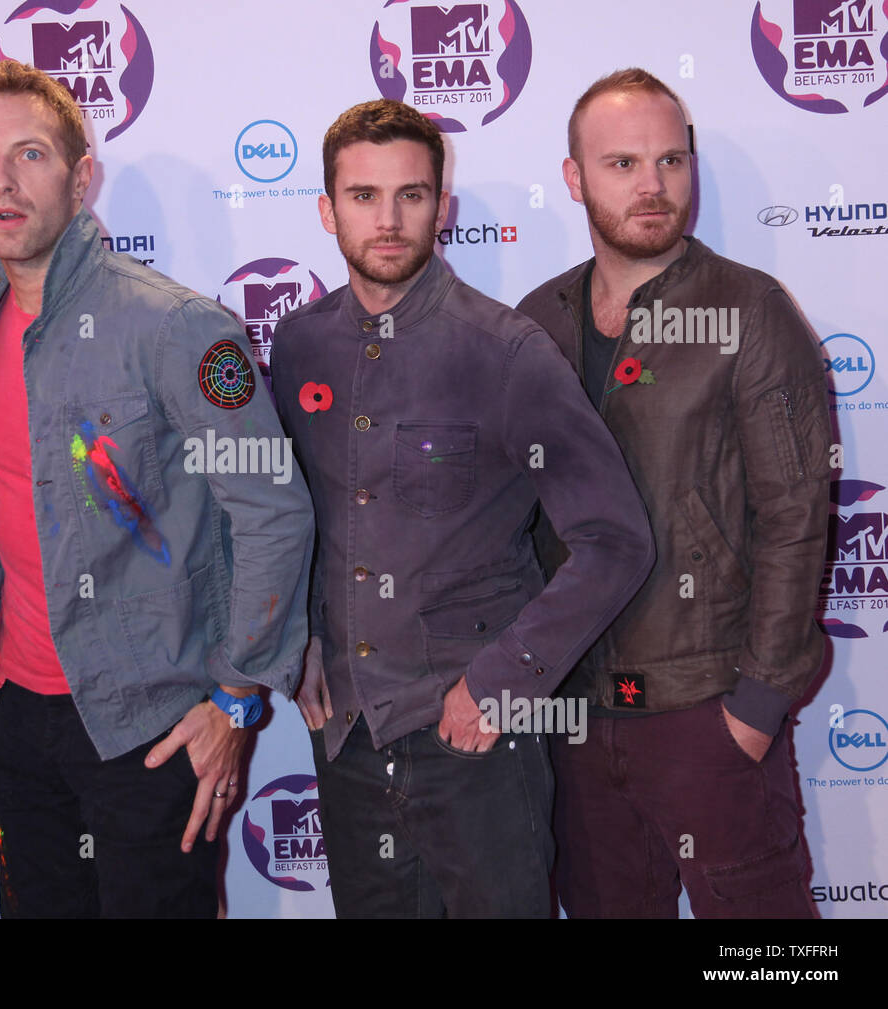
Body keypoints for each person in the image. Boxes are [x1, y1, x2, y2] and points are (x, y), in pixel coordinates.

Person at [0, 60, 314, 918]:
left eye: (29, 154)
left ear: (80, 176)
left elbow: (274, 509)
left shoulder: (174, 323)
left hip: (152, 721)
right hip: (26, 713)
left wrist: (235, 695)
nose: (0, 181)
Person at [269, 99, 653, 918]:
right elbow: (293, 515)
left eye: (411, 195)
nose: (388, 218)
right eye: (364, 195)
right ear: (326, 208)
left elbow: (614, 540)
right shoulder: (297, 345)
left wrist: (504, 680)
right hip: (347, 740)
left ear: (443, 208)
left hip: (475, 739)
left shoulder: (505, 351)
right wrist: (296, 639)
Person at [517, 68, 831, 918]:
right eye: (622, 164)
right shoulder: (536, 320)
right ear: (576, 178)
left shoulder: (748, 309)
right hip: (576, 716)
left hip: (709, 711)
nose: (653, 187)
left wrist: (756, 708)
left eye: (671, 161)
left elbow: (797, 520)